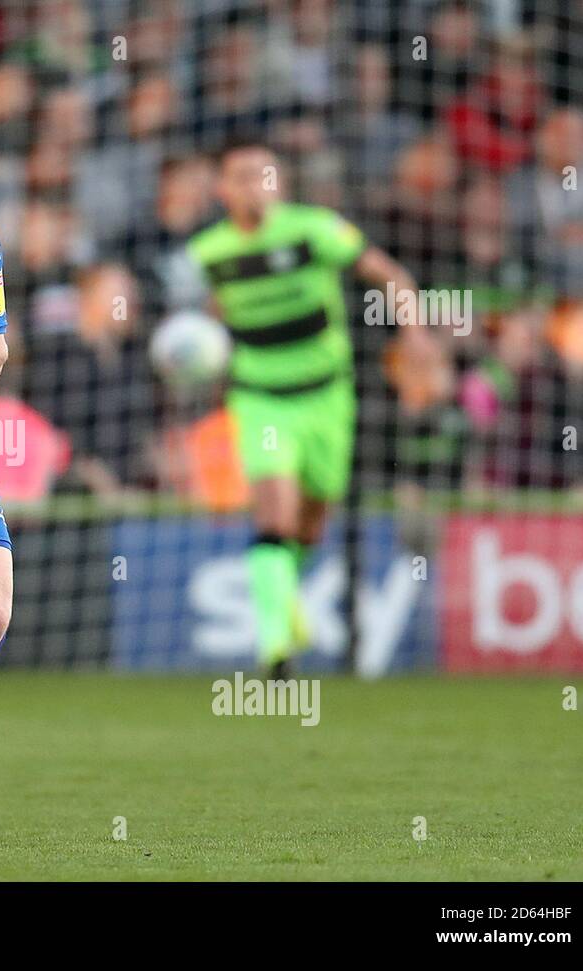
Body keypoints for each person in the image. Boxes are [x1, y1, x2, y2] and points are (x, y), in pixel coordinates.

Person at [186, 136, 419, 679]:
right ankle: (275, 646)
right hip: (261, 398)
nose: (255, 185)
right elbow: (206, 321)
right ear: (223, 190)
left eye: (265, 174)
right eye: (242, 175)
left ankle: (284, 605)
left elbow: (388, 274)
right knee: (274, 513)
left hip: (327, 395)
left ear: (280, 184)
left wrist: (414, 334)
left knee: (312, 520)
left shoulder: (315, 230)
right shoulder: (209, 254)